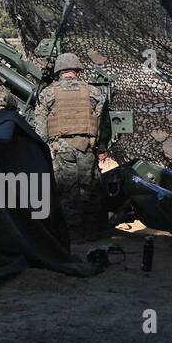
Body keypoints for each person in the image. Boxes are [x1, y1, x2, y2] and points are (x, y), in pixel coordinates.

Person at [33, 52, 110, 239]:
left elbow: (40, 124)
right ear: (77, 70)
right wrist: (102, 148)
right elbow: (103, 124)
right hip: (87, 147)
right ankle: (92, 232)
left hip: (61, 148)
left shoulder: (48, 93)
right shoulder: (93, 92)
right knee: (90, 188)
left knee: (66, 191)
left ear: (59, 71)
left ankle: (71, 233)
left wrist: (45, 147)